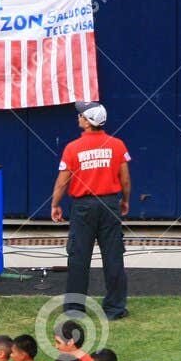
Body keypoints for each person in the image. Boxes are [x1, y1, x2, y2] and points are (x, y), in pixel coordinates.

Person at [52, 103, 132, 322]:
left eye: (81, 115)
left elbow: (62, 181)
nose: (78, 118)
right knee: (113, 256)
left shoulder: (72, 148)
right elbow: (125, 178)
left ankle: (75, 308)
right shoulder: (117, 145)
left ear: (88, 122)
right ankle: (115, 308)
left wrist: (55, 204)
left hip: (83, 207)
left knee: (79, 257)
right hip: (109, 204)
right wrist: (124, 200)